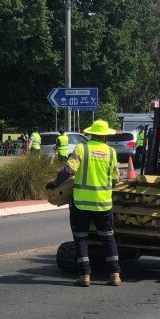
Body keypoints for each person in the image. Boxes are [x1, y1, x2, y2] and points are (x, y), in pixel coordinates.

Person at [47, 119, 121, 287]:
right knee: (108, 238)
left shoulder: (81, 148)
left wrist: (56, 183)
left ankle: (85, 276)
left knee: (81, 239)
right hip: (103, 203)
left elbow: (69, 170)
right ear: (105, 137)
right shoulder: (111, 152)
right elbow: (116, 179)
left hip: (81, 204)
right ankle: (115, 275)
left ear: (91, 134)